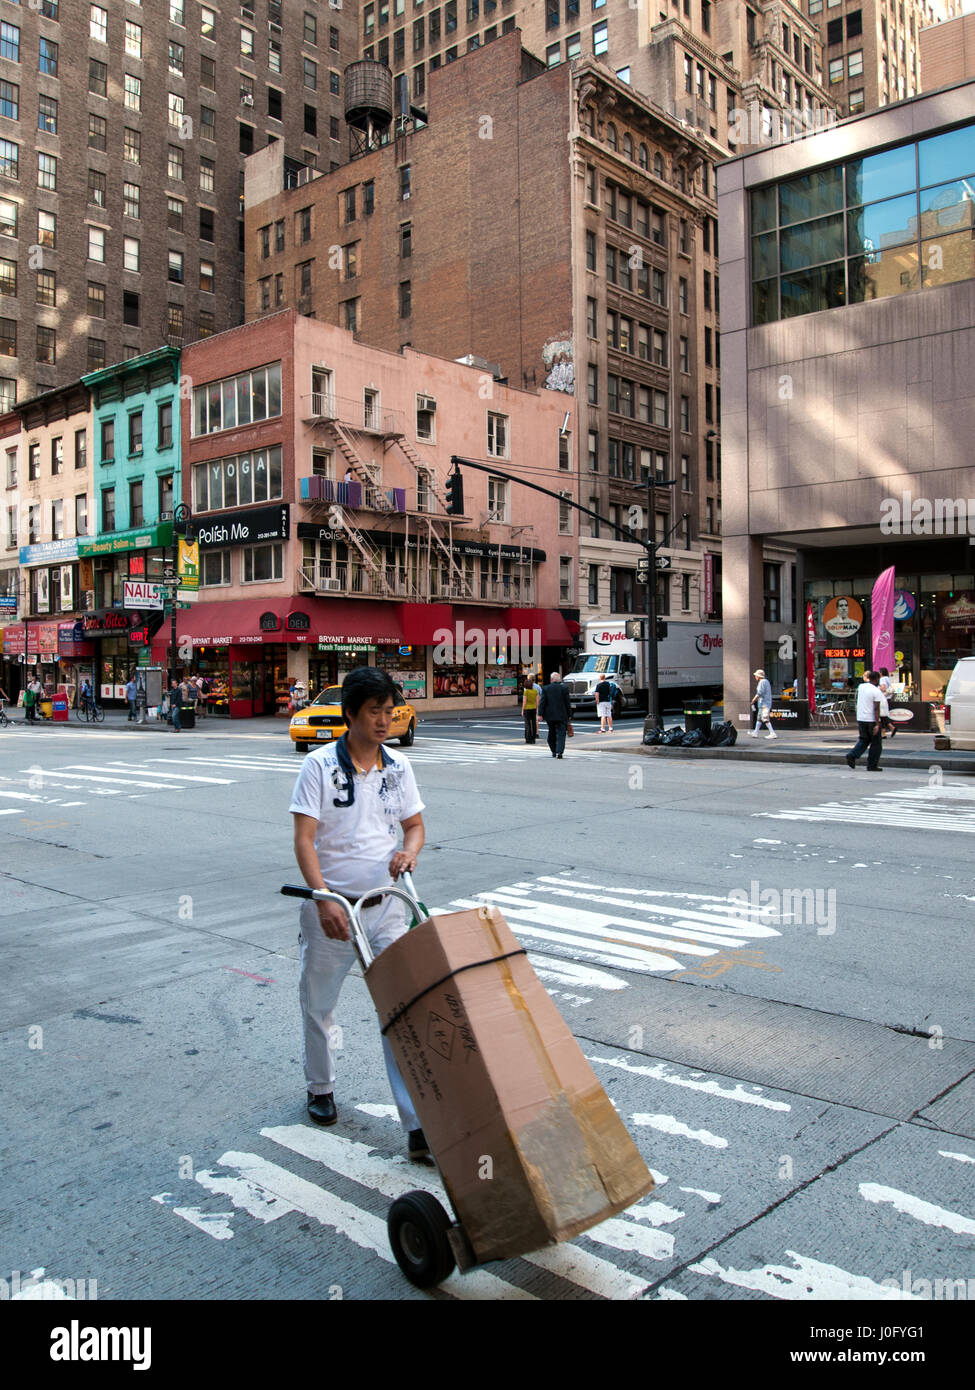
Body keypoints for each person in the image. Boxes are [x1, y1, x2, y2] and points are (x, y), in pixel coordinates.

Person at [289, 666, 429, 1158]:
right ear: (350, 714)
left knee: (399, 1012)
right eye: (376, 712)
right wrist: (323, 896)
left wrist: (408, 852)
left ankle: (416, 1125)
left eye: (390, 711)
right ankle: (321, 1088)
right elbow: (304, 840)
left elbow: (414, 826)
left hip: (387, 908)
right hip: (332, 910)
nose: (385, 720)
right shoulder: (319, 767)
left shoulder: (398, 767)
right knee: (319, 1004)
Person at [846, 671, 883, 771]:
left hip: (861, 718)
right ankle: (872, 765)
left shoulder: (861, 687)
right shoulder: (876, 691)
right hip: (871, 719)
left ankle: (852, 755)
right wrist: (877, 724)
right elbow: (876, 708)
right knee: (876, 743)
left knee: (864, 739)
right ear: (876, 679)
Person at [539, 671, 573, 759]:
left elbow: (542, 702)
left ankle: (553, 750)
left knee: (551, 732)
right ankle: (560, 752)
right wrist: (570, 714)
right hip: (562, 715)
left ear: (551, 679)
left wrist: (540, 714)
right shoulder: (564, 688)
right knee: (561, 734)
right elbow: (567, 703)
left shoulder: (546, 688)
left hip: (550, 716)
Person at [750, 669, 776, 739]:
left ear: (758, 676)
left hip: (764, 704)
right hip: (764, 703)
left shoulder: (762, 682)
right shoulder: (765, 681)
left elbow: (759, 693)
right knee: (759, 718)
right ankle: (755, 732)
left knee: (765, 718)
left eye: (756, 675)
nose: (755, 677)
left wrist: (753, 700)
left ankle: (772, 733)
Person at [877, 668, 896, 738]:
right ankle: (890, 728)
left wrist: (877, 687)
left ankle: (884, 732)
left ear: (881, 673)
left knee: (882, 716)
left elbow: (883, 688)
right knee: (883, 716)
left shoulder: (882, 679)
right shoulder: (887, 678)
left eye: (879, 672)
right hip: (887, 698)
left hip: (883, 698)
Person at [521, 674, 539, 744]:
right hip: (534, 708)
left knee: (527, 724)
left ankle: (528, 739)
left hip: (527, 709)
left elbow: (524, 702)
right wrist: (537, 708)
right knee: (534, 724)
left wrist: (522, 710)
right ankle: (533, 738)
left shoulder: (526, 692)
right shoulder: (535, 691)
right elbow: (537, 701)